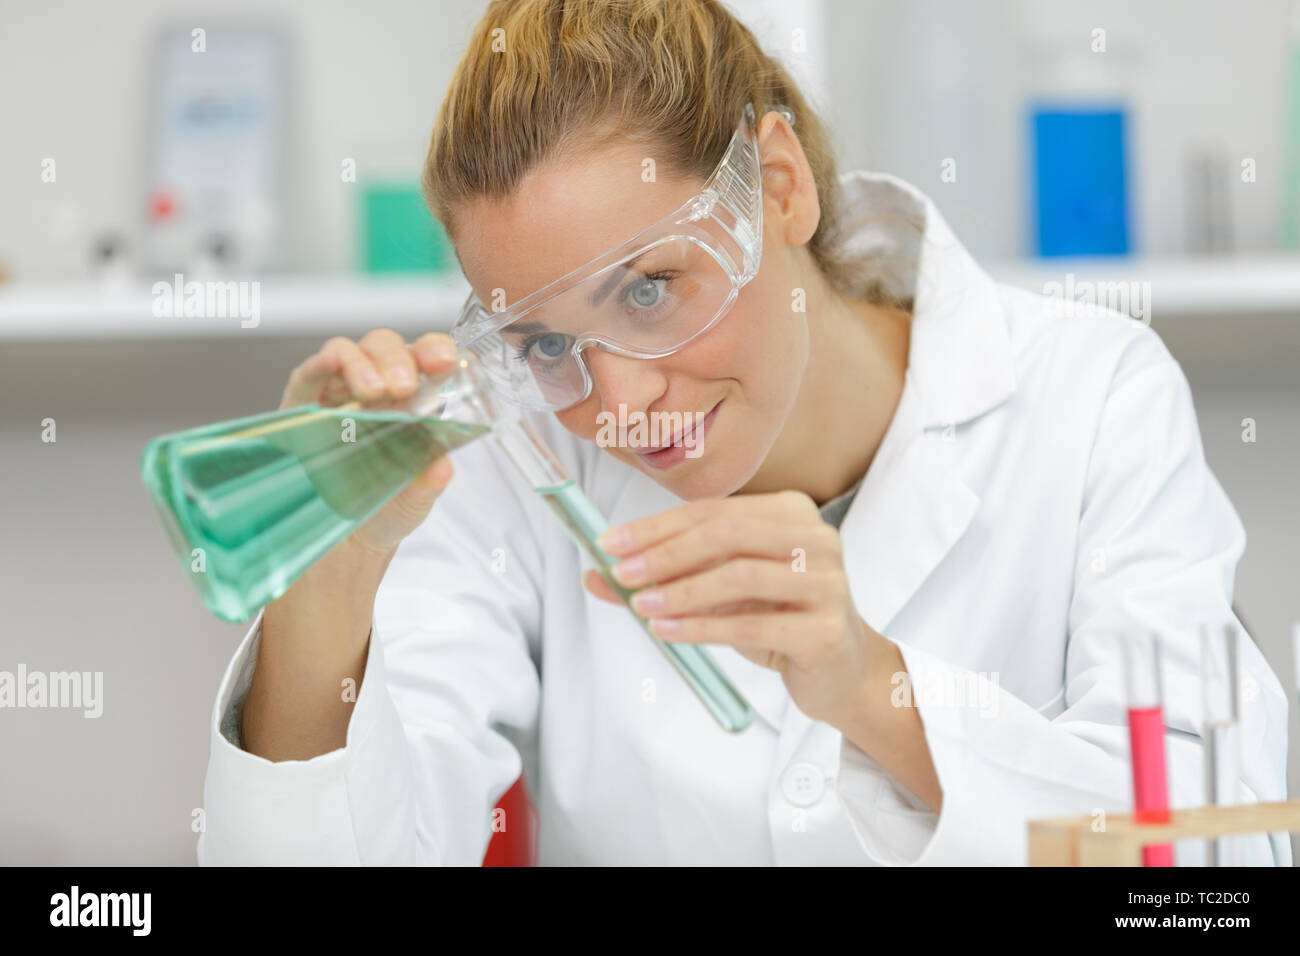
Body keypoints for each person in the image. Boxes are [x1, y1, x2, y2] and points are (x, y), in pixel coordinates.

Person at [198, 0, 1290, 865]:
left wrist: (869, 684)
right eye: (539, 341)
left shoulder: (1089, 397)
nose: (615, 397)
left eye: (649, 289)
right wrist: (328, 576)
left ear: (776, 185)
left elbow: (1208, 858)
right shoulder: (520, 458)